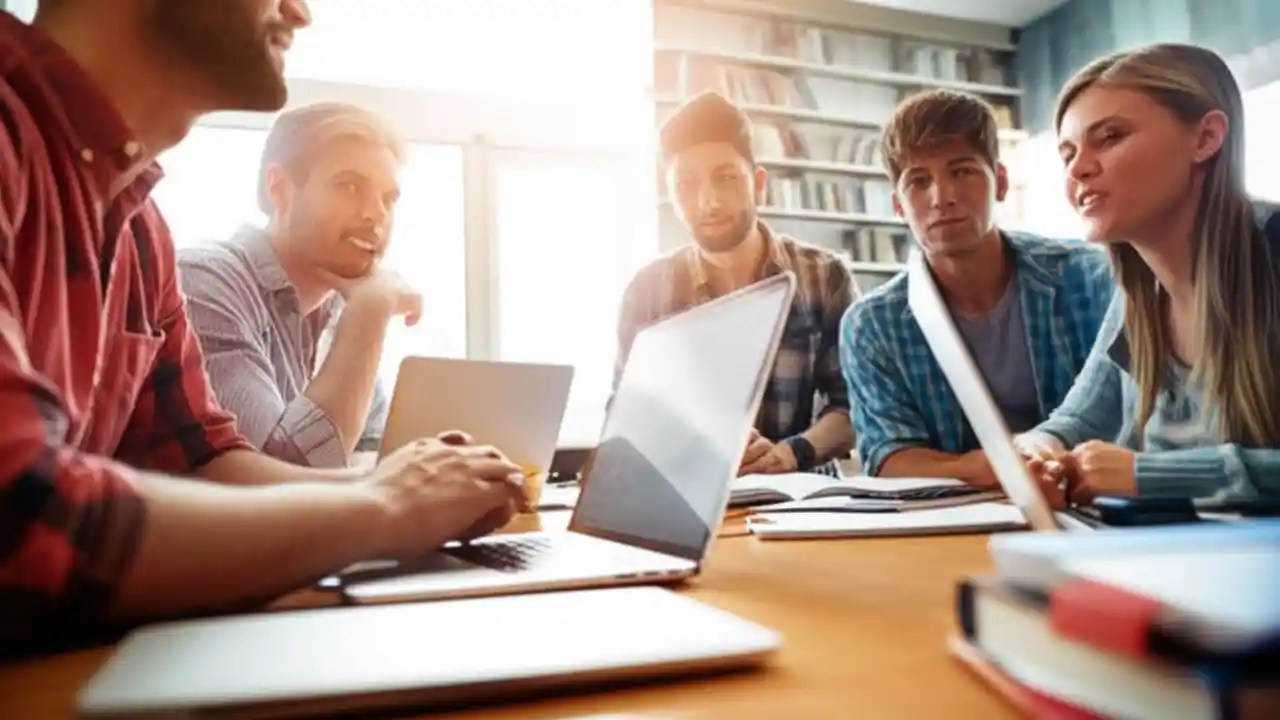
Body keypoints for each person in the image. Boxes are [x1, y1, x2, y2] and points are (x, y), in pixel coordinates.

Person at [0, 0, 525, 650]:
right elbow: (19, 518)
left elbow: (206, 462)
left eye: (388, 196)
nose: (299, 11)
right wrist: (384, 507)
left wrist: (415, 484)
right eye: (349, 187)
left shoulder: (140, 228)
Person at [1016, 43, 1280, 504]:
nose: (1078, 169)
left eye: (1111, 137)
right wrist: (1039, 455)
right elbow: (1073, 424)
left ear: (1206, 138)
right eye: (1067, 154)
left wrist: (1147, 474)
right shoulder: (1138, 294)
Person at [840, 90, 1113, 486]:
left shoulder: (1090, 278)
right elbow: (889, 457)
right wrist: (996, 469)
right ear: (897, 205)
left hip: (1092, 502)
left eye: (962, 171)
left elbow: (1133, 417)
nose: (943, 198)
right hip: (958, 518)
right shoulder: (872, 324)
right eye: (918, 181)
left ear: (1000, 182)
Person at [615, 91, 857, 477]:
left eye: (725, 179)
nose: (707, 202)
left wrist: (789, 454)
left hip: (802, 501)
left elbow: (853, 404)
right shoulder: (647, 292)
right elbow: (629, 418)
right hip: (689, 495)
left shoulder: (824, 277)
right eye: (686, 184)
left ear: (758, 183)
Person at [179, 103, 414, 468]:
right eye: (349, 186)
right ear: (281, 188)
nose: (375, 215)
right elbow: (282, 480)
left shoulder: (341, 308)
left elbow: (371, 458)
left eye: (389, 198)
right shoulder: (204, 281)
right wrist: (371, 312)